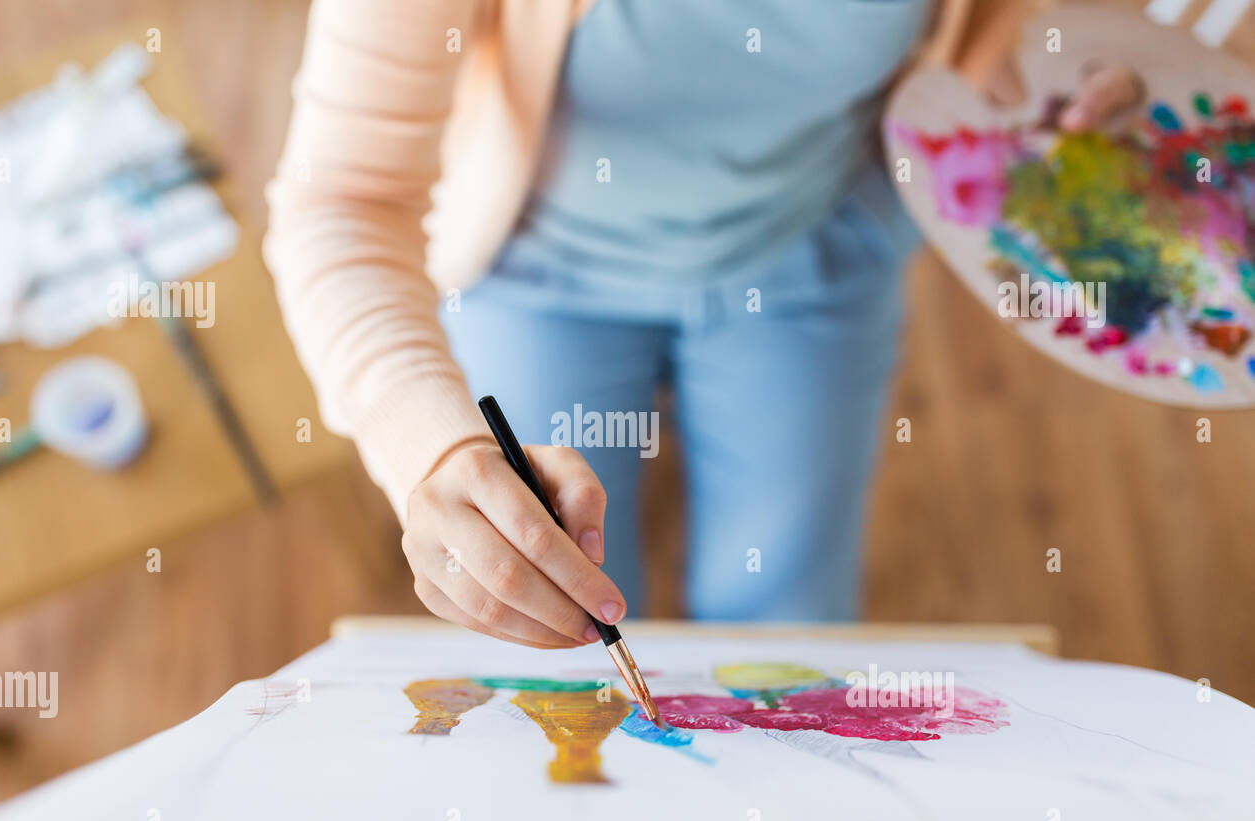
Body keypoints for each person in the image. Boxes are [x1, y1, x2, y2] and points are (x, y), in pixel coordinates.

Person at [264, 0, 1142, 649]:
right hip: (531, 267)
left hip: (811, 250)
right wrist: (436, 454)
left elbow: (1004, 36)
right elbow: (341, 200)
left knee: (789, 630)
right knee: (557, 630)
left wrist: (1069, 69)